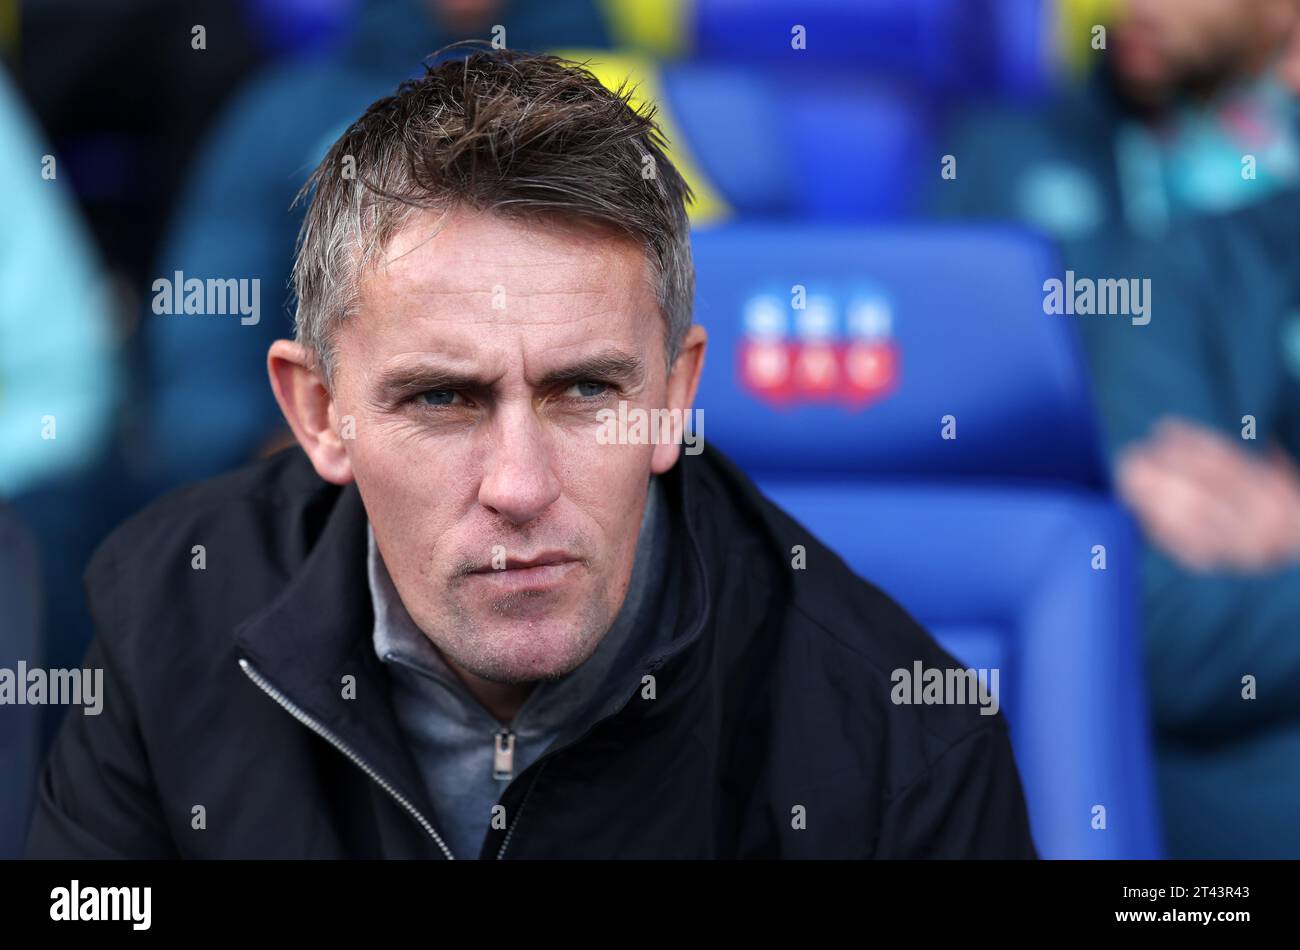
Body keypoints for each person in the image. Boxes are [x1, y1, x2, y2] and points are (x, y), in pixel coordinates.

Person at [26, 49, 1036, 859]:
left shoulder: (906, 745)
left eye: (586, 390)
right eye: (442, 398)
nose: (519, 486)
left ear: (676, 395)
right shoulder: (164, 614)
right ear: (320, 412)